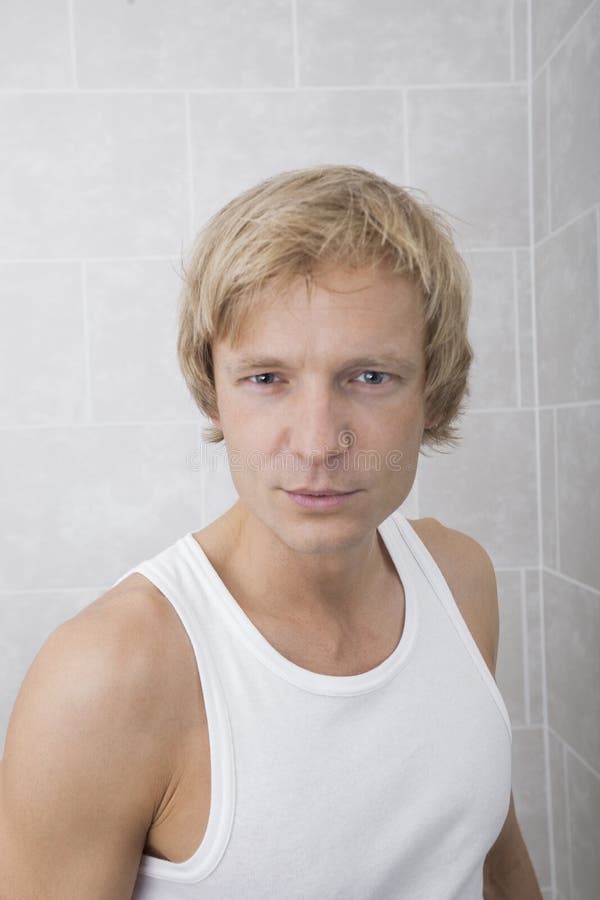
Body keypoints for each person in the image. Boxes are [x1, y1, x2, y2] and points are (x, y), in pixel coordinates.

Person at [0, 164, 542, 899]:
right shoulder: (108, 677)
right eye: (266, 379)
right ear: (214, 390)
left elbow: (488, 852)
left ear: (434, 390)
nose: (318, 443)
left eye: (371, 377)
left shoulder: (461, 579)